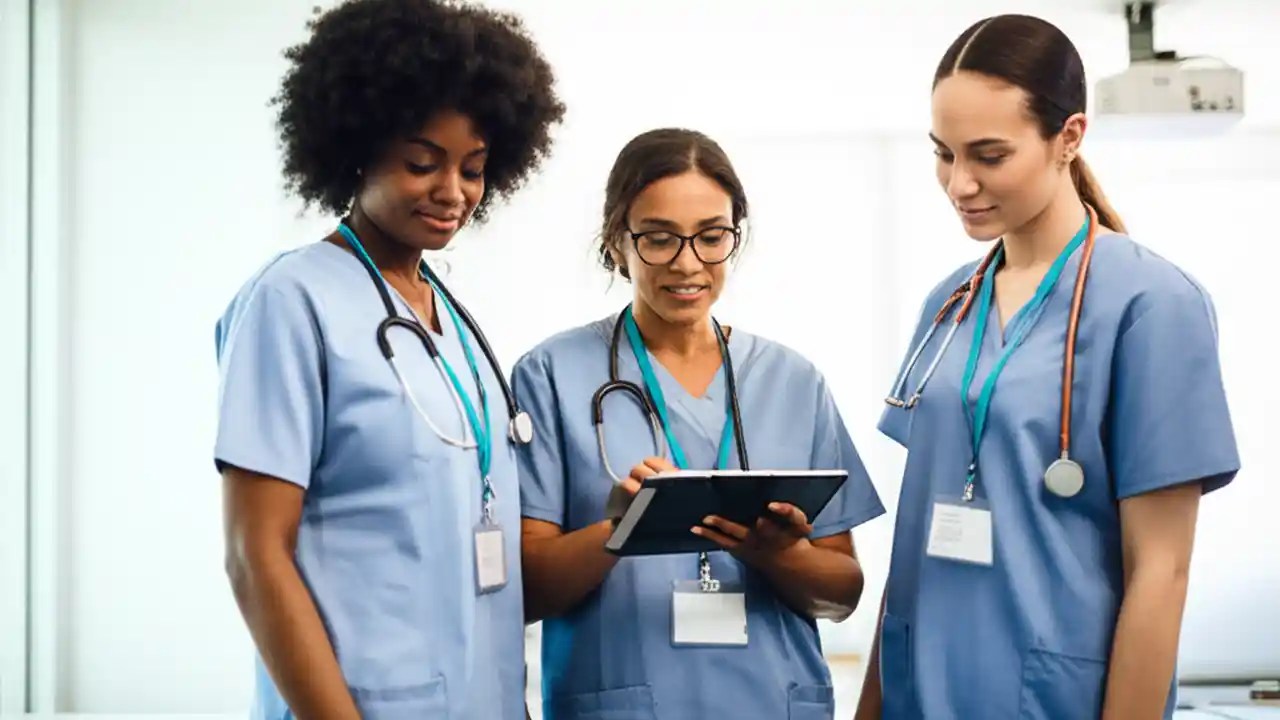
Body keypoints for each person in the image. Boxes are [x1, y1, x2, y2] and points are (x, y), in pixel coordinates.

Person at [855, 14, 1240, 720]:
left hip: (1050, 697)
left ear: (1069, 138)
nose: (959, 183)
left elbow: (1162, 570)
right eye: (943, 153)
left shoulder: (1151, 307)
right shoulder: (949, 305)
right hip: (920, 688)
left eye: (989, 155)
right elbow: (913, 543)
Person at [212, 1, 564, 717]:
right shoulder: (292, 301)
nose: (454, 193)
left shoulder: (449, 318)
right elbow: (255, 556)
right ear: (356, 150)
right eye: (421, 163)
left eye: (474, 169)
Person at [513, 127, 886, 719]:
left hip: (771, 700)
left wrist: (780, 556)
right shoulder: (551, 374)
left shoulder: (794, 382)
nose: (688, 264)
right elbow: (525, 592)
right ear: (617, 242)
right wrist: (619, 526)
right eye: (659, 240)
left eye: (712, 237)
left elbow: (842, 594)